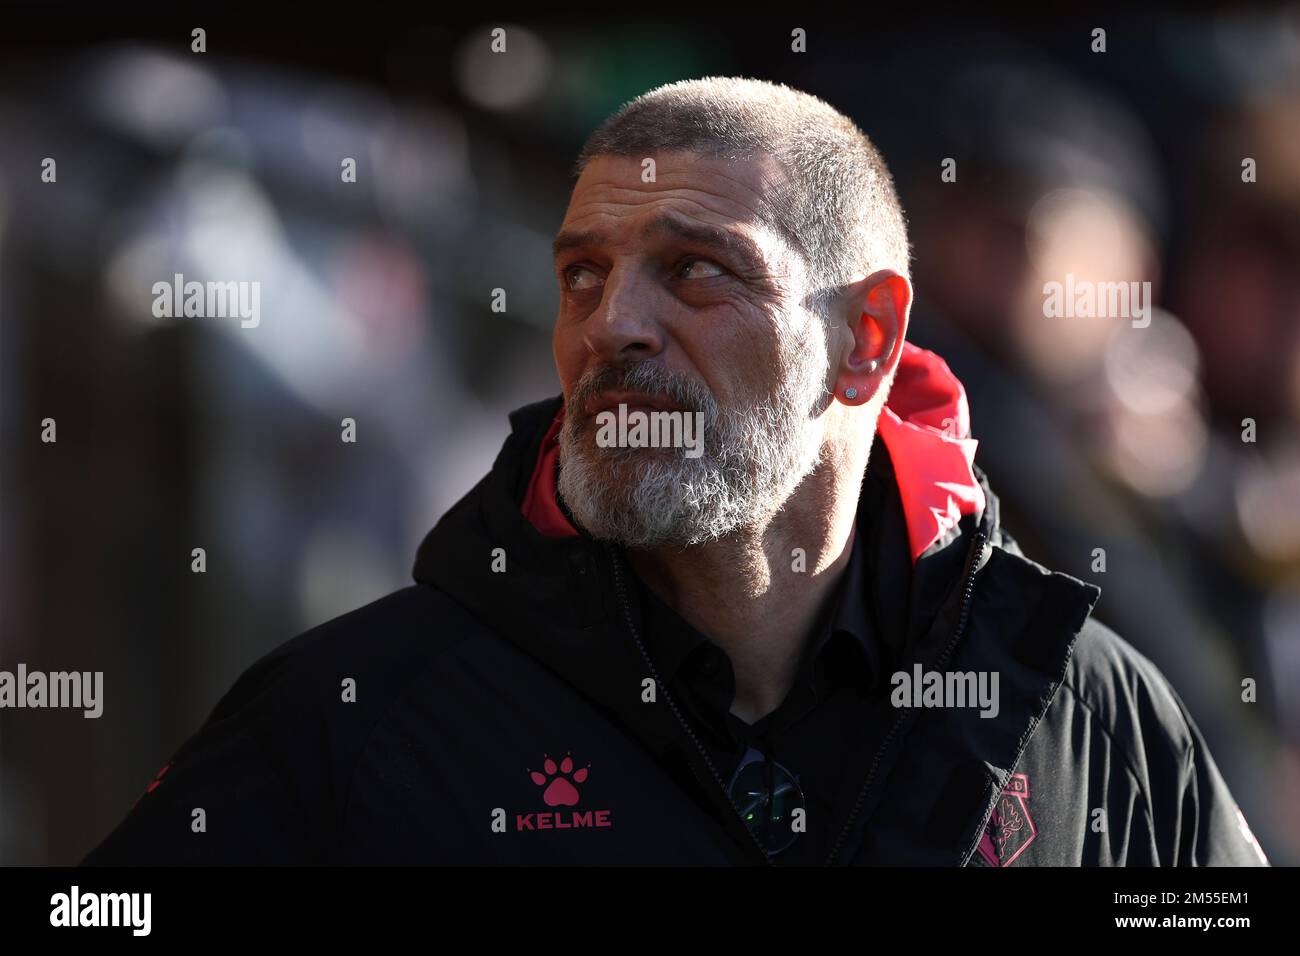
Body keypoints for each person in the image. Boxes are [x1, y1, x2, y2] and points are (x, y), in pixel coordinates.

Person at [83, 76, 1269, 866]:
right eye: (584, 275)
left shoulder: (1088, 714)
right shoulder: (351, 721)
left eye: (697, 271)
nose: (615, 327)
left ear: (866, 339)